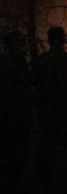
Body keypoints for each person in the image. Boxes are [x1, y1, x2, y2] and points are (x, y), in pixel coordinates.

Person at [32, 26, 67, 192]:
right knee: (59, 143)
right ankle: (56, 180)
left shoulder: (41, 59)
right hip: (60, 109)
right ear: (61, 39)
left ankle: (43, 178)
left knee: (46, 142)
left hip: (45, 110)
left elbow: (33, 82)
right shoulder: (65, 59)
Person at [0, 31, 31, 191]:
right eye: (19, 42)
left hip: (20, 117)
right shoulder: (8, 64)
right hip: (10, 118)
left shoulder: (19, 62)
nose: (23, 45)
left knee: (19, 157)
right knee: (11, 156)